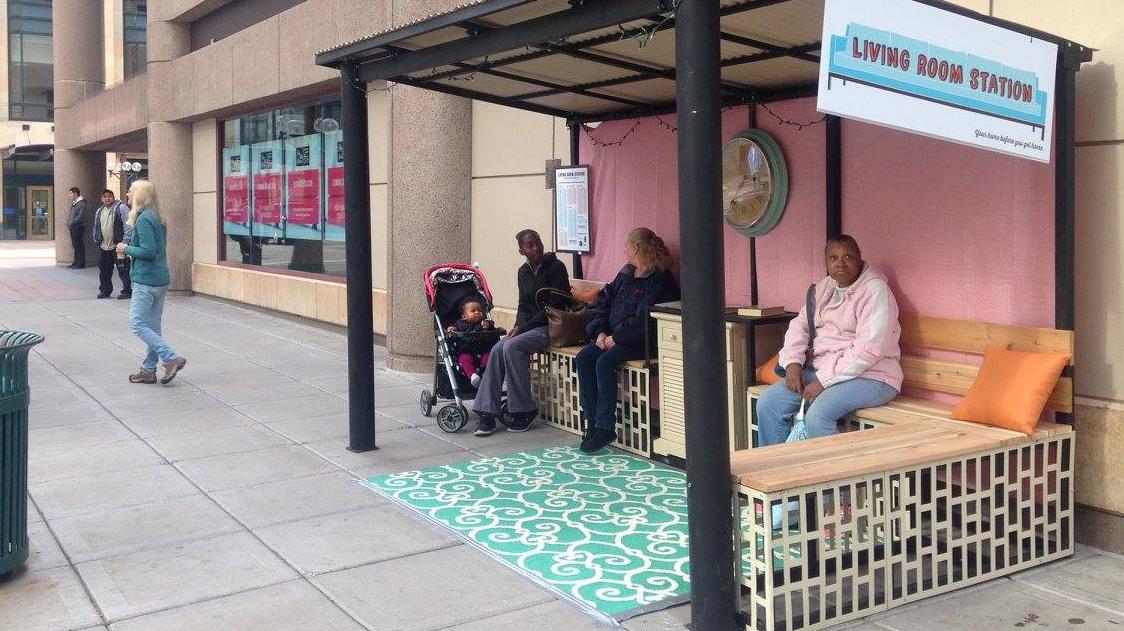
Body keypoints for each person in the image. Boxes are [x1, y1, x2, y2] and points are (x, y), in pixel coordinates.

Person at [756, 235, 902, 447]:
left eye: (848, 257)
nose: (840, 263)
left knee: (818, 416)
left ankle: (836, 479)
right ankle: (777, 471)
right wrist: (792, 364)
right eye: (833, 258)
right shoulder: (824, 288)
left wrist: (823, 382)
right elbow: (800, 326)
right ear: (825, 262)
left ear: (860, 258)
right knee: (768, 404)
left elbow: (868, 351)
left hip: (873, 376)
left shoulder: (875, 291)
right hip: (824, 372)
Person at [576, 227, 679, 454]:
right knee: (584, 358)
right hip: (613, 337)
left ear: (635, 248)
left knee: (604, 362)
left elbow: (645, 318)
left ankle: (605, 427)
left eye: (626, 247)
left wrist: (617, 336)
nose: (624, 251)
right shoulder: (624, 275)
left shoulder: (660, 279)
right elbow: (603, 303)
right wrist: (600, 333)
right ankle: (591, 421)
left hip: (642, 341)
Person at [472, 229, 570, 437]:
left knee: (512, 346)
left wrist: (522, 329)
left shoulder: (556, 267)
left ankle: (524, 409)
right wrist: (517, 326)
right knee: (499, 347)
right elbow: (523, 305)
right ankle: (487, 412)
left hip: (552, 326)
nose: (536, 248)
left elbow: (553, 308)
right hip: (530, 327)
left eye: (538, 243)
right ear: (521, 251)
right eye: (530, 245)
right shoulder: (523, 272)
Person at [115, 180, 187, 385]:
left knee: (137, 324)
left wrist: (125, 248)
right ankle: (148, 370)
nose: (127, 194)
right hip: (160, 278)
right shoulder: (156, 216)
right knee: (153, 327)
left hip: (146, 279)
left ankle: (171, 358)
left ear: (139, 195)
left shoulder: (144, 219)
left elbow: (148, 251)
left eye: (130, 191)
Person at [92, 189, 133, 299]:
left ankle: (127, 290)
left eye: (109, 196)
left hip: (118, 246)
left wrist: (125, 242)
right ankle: (105, 291)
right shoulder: (99, 211)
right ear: (101, 199)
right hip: (104, 246)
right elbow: (96, 226)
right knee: (104, 270)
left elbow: (128, 225)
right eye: (104, 196)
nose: (107, 198)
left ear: (113, 197)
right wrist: (96, 239)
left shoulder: (121, 208)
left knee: (123, 269)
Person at [447, 298, 495, 388]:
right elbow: (455, 330)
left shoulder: (484, 323)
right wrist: (452, 329)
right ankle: (473, 376)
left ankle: (485, 373)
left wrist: (488, 325)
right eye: (473, 311)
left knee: (490, 355)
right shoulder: (460, 324)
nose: (477, 312)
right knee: (464, 359)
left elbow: (491, 326)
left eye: (479, 310)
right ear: (464, 316)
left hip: (483, 351)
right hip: (466, 351)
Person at [66, 187, 87, 269]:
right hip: (73, 227)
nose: (69, 195)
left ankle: (81, 263)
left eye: (70, 193)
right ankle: (76, 261)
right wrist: (68, 222)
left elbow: (80, 216)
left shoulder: (81, 203)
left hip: (78, 227)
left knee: (79, 245)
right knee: (75, 245)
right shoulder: (75, 203)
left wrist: (71, 222)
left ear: (75, 193)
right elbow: (71, 214)